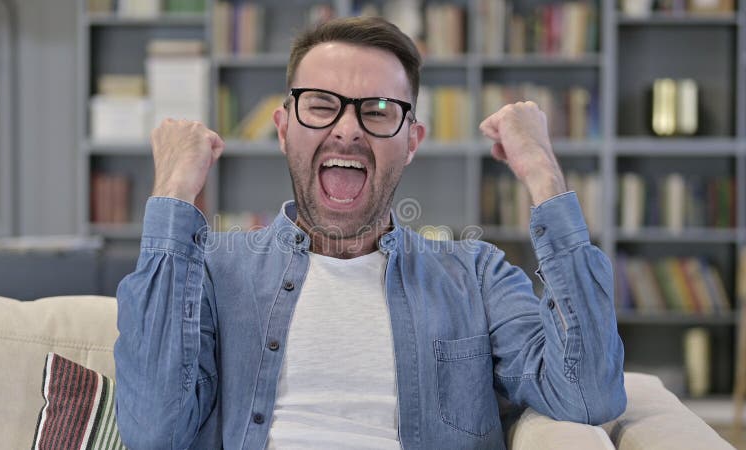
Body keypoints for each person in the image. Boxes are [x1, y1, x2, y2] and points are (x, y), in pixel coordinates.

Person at [114, 16, 626, 450]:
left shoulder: (476, 273)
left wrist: (543, 174)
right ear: (284, 128)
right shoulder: (210, 270)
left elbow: (587, 395)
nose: (347, 129)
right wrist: (174, 195)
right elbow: (154, 430)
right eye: (320, 104)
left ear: (411, 141)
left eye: (379, 110)